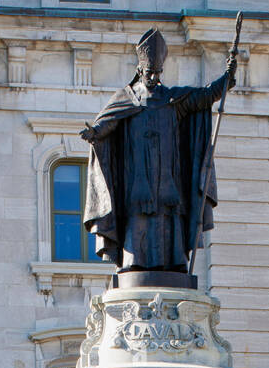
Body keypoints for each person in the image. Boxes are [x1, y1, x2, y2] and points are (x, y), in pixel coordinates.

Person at [81, 27, 236, 275]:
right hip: (137, 176)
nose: (153, 77)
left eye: (157, 72)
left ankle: (174, 262)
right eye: (149, 72)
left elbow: (205, 96)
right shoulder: (127, 98)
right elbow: (107, 123)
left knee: (168, 215)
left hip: (168, 176)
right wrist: (95, 133)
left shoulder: (172, 100)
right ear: (140, 71)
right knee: (138, 215)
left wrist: (226, 79)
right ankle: (133, 262)